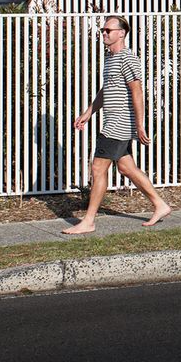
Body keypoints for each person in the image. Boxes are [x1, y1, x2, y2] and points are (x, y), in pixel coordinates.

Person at [63, 15, 171, 234]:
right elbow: (107, 90)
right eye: (103, 30)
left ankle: (89, 221)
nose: (104, 33)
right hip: (111, 120)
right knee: (125, 167)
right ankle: (160, 205)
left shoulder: (128, 58)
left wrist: (139, 125)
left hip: (118, 123)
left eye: (108, 30)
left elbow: (137, 91)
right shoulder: (110, 58)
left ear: (121, 33)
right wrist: (88, 113)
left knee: (98, 167)